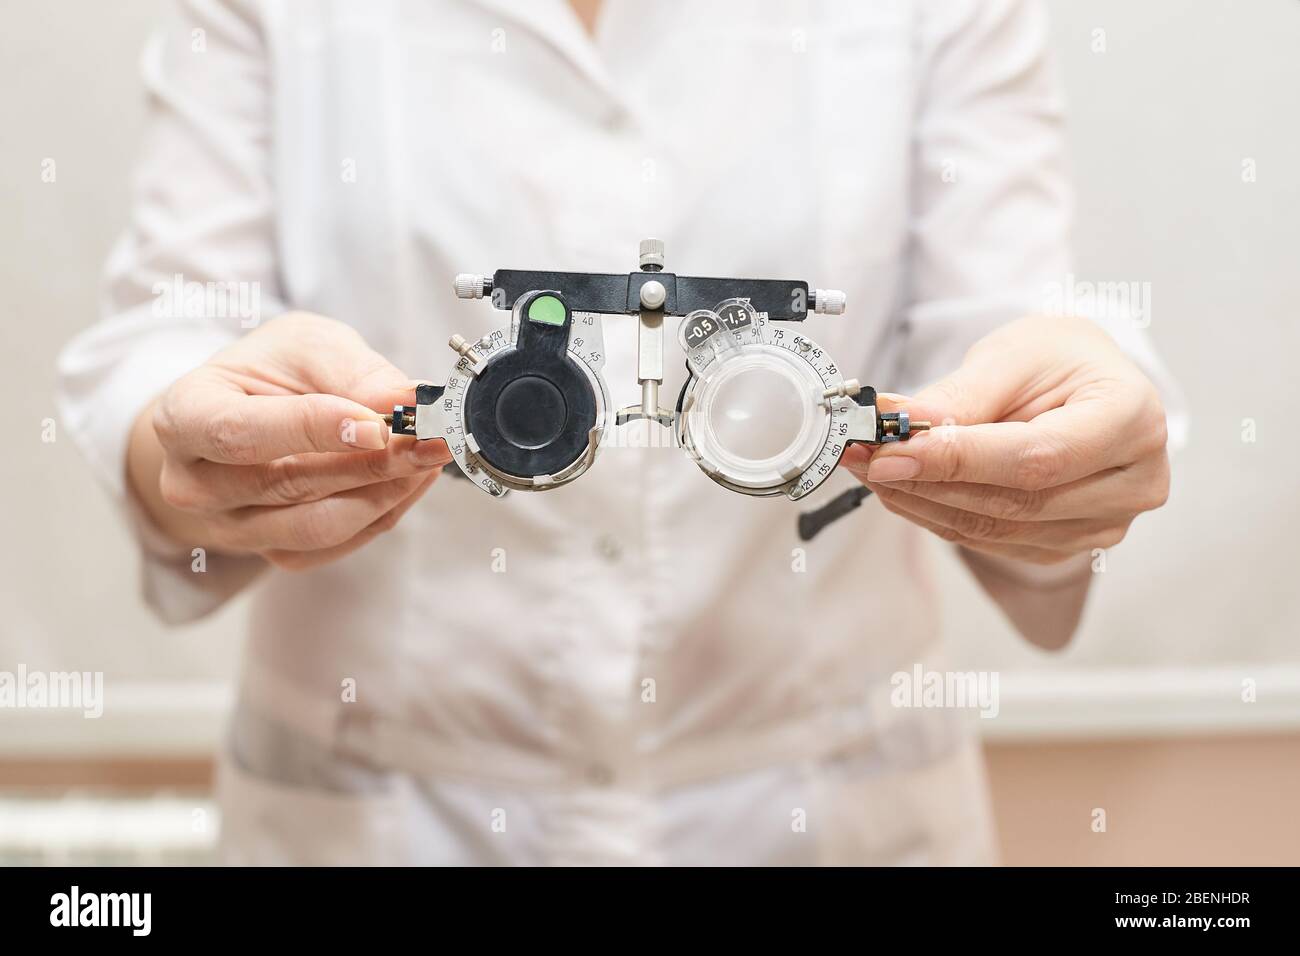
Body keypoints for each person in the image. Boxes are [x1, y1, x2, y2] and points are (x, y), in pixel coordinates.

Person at [56, 0, 1181, 865]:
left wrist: (1056, 444)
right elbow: (164, 342)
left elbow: (1015, 336)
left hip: (816, 804)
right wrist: (190, 448)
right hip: (385, 807)